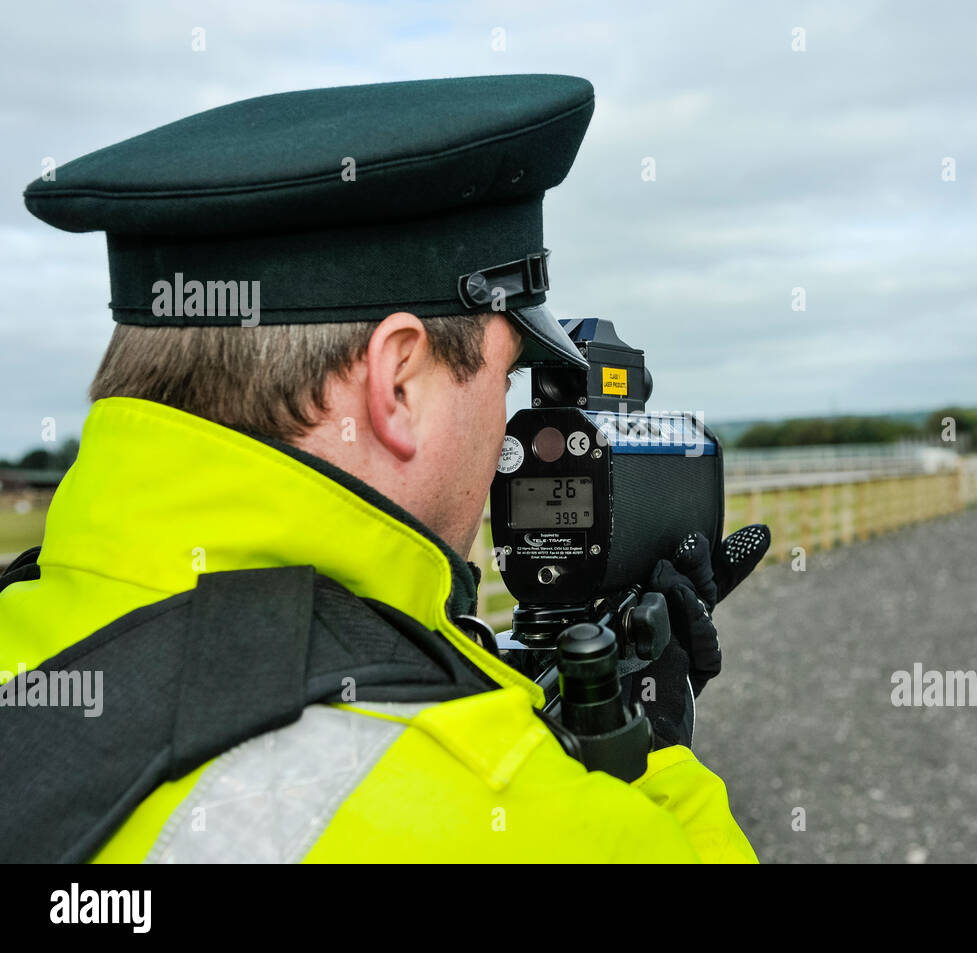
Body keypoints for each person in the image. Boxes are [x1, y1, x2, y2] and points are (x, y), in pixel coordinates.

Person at [0, 74, 767, 863]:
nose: (506, 424)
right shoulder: (505, 813)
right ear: (396, 384)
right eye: (503, 378)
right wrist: (648, 750)